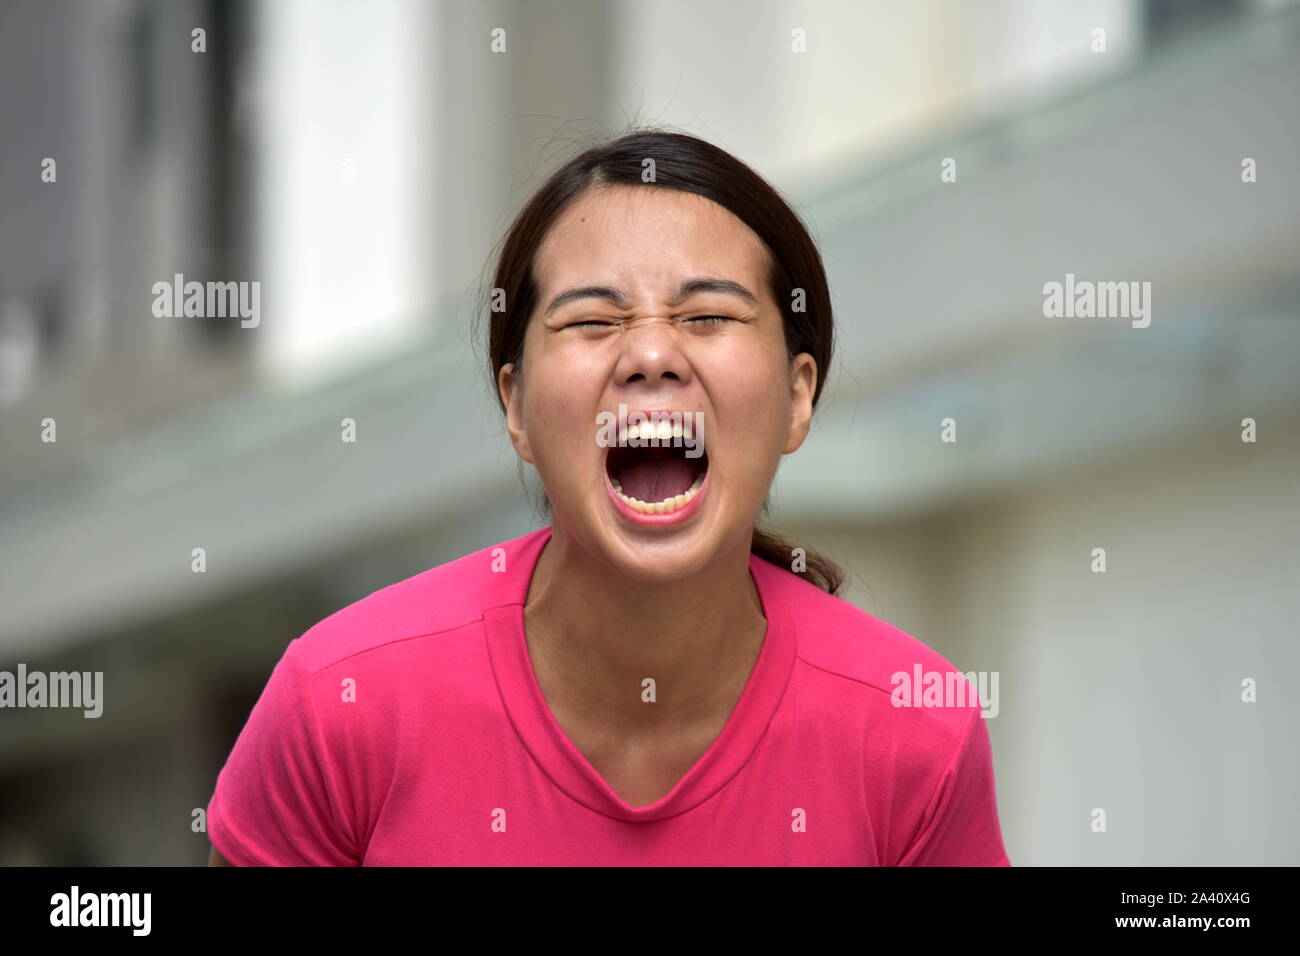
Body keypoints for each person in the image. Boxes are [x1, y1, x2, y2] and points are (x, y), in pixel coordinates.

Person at [206, 128, 1011, 865]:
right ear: (516, 407)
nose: (652, 352)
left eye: (708, 315)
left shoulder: (915, 732)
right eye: (593, 321)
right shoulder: (341, 704)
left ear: (798, 398)